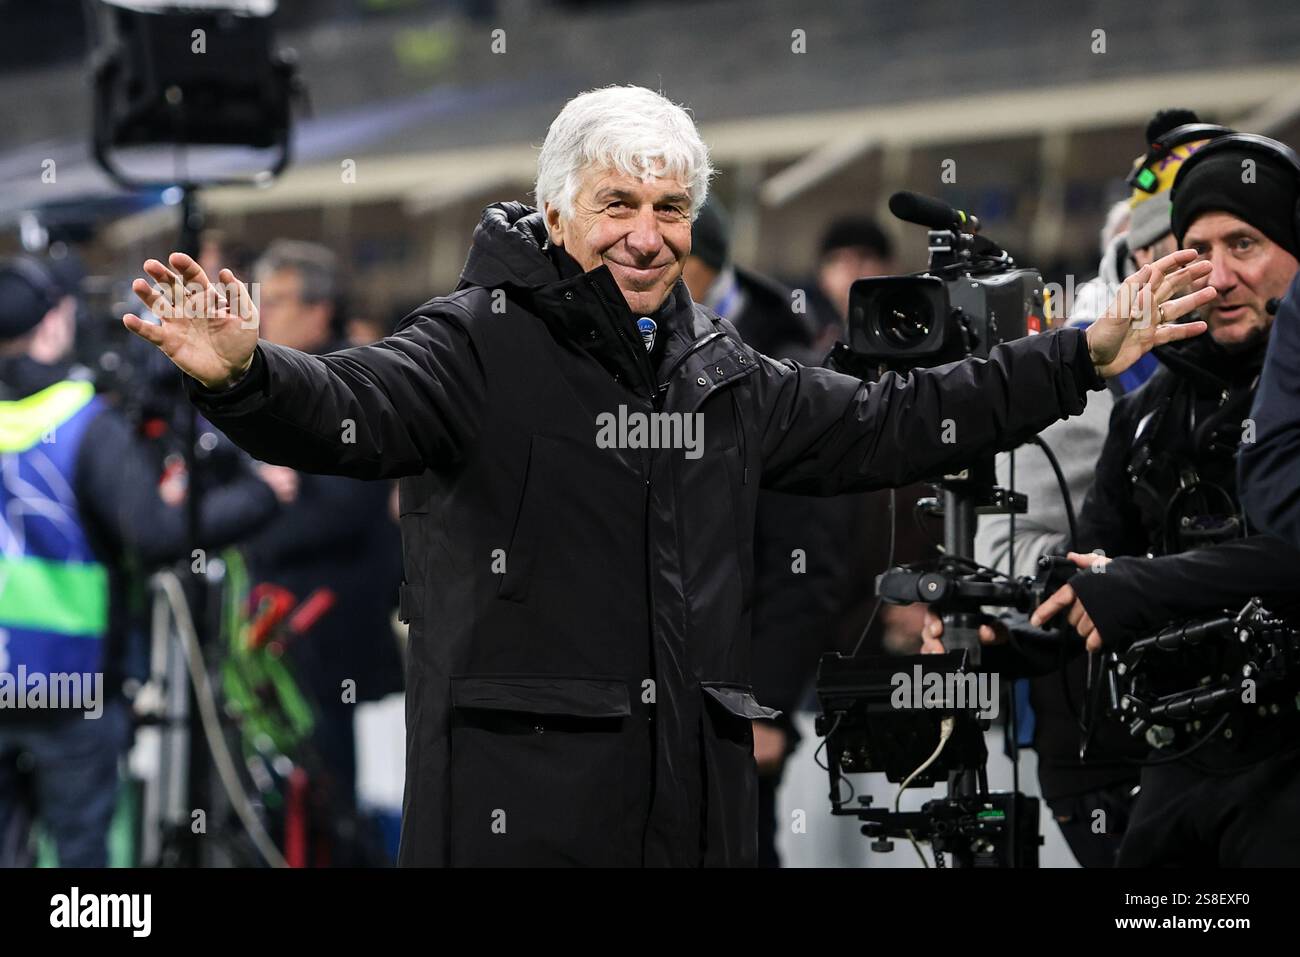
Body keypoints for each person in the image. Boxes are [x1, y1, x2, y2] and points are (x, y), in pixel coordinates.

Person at [123, 85, 1211, 868]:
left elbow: (893, 421)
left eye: (670, 209)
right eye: (618, 206)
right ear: (555, 214)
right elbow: (350, 409)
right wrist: (251, 378)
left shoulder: (721, 367)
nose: (648, 237)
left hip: (694, 806)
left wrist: (1078, 356)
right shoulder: (471, 344)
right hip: (524, 811)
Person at [969, 110, 1232, 866]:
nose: (1215, 272)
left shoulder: (1256, 355)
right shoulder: (1076, 369)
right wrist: (1134, 572)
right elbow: (1007, 551)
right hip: (1104, 728)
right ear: (1144, 247)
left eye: (1238, 241)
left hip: (1228, 721)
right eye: (1194, 245)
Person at [0, 255, 278, 867]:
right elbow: (151, 533)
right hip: (68, 683)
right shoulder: (81, 421)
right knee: (80, 857)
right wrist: (260, 497)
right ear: (53, 325)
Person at [242, 240, 405, 851]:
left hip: (337, 632)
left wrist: (244, 521)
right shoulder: (271, 381)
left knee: (347, 802)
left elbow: (343, 506)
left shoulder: (350, 383)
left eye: (278, 300)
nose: (262, 314)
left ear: (319, 311)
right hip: (282, 630)